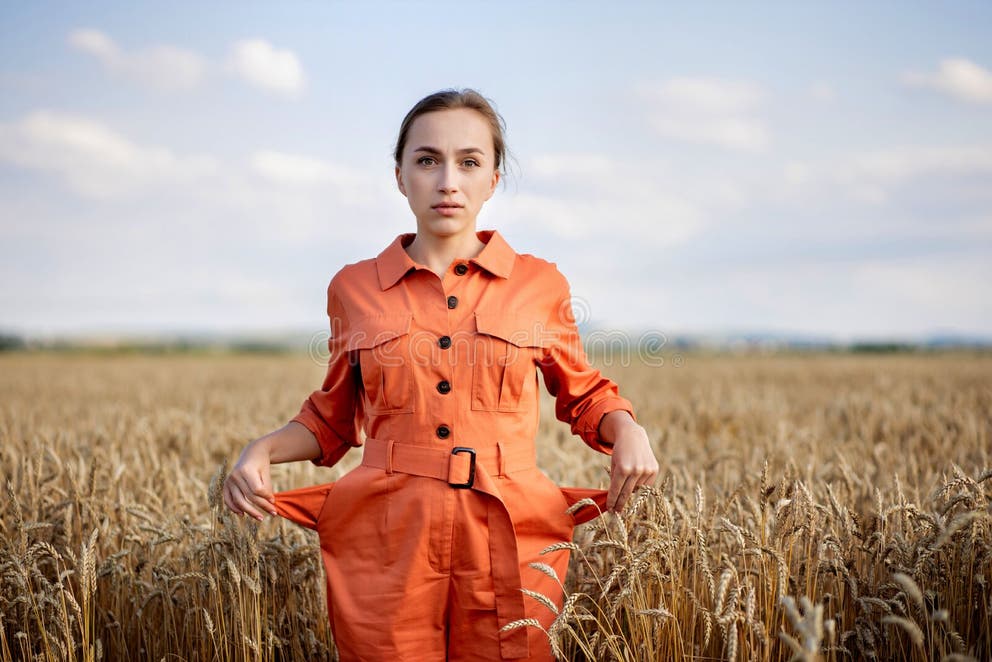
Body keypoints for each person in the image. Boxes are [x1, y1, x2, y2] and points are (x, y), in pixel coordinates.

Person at [222, 88, 659, 661]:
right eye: (427, 160)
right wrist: (260, 451)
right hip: (388, 533)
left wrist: (628, 430)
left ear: (494, 178)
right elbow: (330, 420)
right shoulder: (353, 287)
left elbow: (586, 395)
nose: (447, 180)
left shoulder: (539, 284)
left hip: (510, 528)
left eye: (469, 161)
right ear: (400, 176)